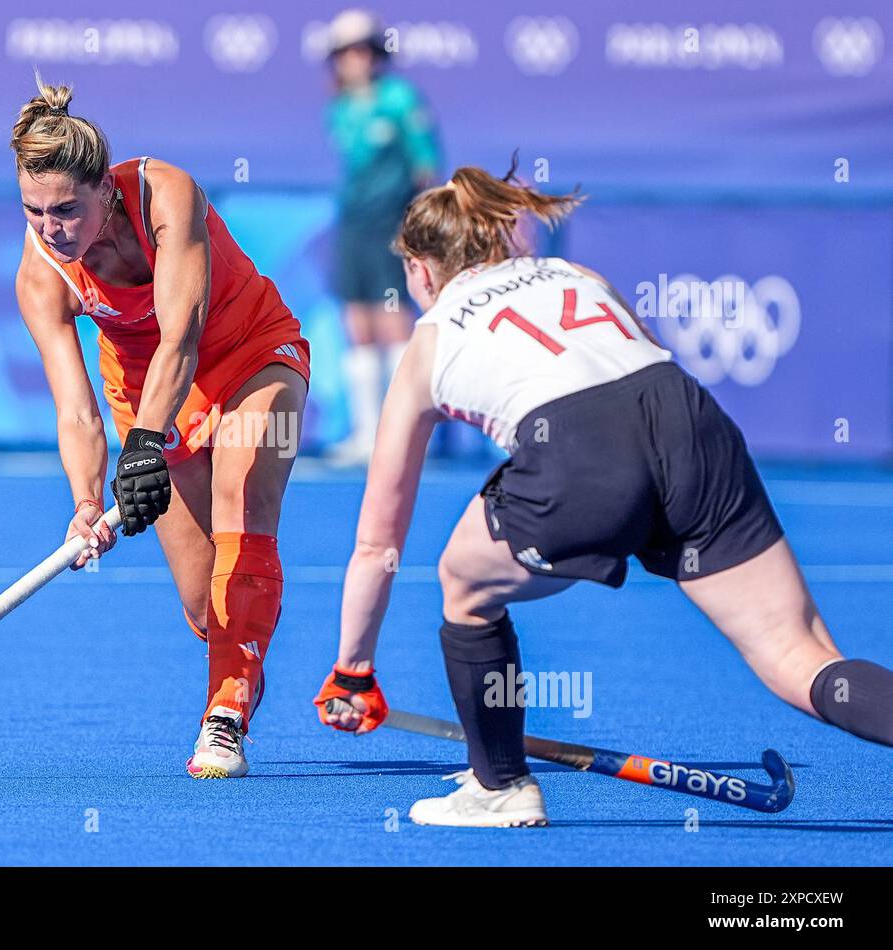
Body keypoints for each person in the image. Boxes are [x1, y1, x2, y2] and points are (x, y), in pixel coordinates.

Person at [313, 162, 893, 826]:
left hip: (580, 452)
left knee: (462, 581)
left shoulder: (430, 339)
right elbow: (641, 380)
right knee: (804, 656)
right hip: (693, 425)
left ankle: (500, 786)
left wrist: (354, 669)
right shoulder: (578, 276)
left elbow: (376, 544)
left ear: (419, 272)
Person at [11, 77, 311, 779]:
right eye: (33, 211)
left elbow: (183, 334)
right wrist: (86, 502)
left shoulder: (164, 194)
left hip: (248, 353)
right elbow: (76, 407)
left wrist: (144, 447)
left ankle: (223, 718)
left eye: (66, 210)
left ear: (104, 193)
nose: (52, 228)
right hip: (149, 396)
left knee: (243, 499)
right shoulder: (41, 273)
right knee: (208, 603)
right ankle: (240, 664)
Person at [324, 9, 439, 464]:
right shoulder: (339, 108)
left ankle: (405, 434)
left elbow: (425, 167)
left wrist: (420, 227)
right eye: (348, 51)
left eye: (366, 50)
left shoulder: (401, 99)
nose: (357, 59)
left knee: (394, 323)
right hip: (354, 224)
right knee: (358, 323)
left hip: (393, 227)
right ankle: (367, 434)